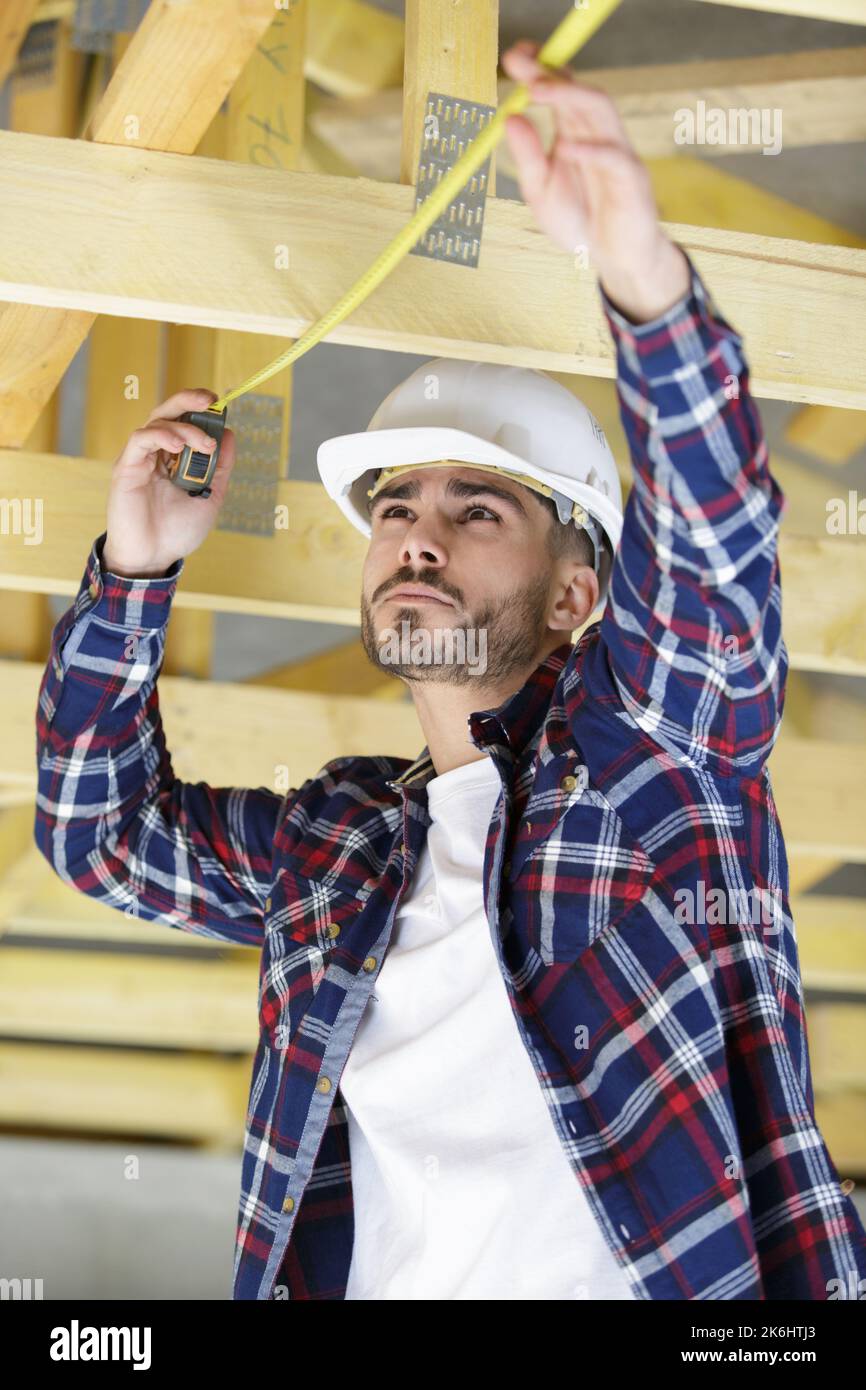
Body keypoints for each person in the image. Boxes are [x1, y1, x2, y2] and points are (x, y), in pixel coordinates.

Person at [34, 39, 866, 1301]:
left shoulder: (647, 766)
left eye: (476, 508)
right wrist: (134, 575)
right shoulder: (336, 847)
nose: (414, 530)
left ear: (578, 591)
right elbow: (101, 838)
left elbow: (712, 556)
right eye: (395, 504)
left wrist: (640, 280)